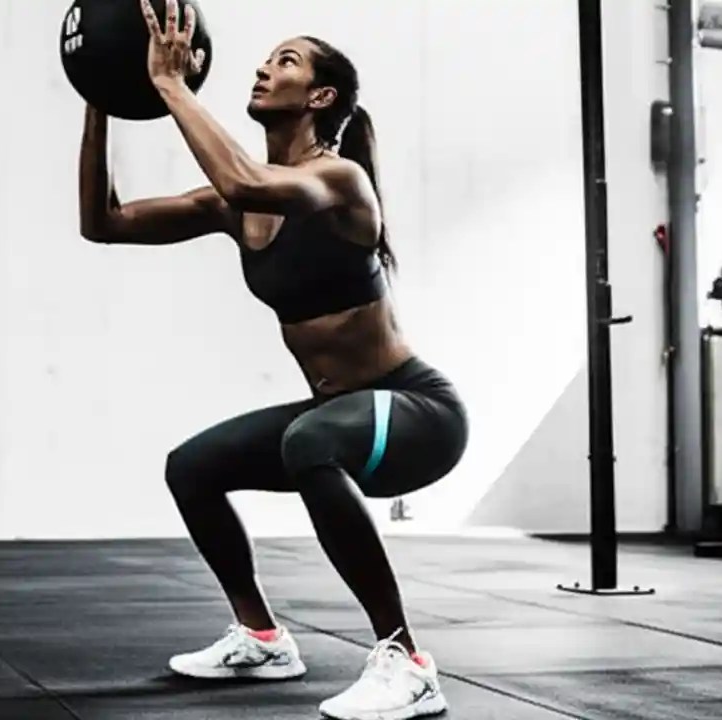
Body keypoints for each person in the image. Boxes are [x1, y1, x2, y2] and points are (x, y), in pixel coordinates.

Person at [77, 2, 469, 718]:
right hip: (338, 416)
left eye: (285, 61)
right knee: (192, 466)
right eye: (265, 59)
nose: (262, 68)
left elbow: (247, 183)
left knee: (309, 439)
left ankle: (407, 660)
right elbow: (104, 223)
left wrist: (170, 85)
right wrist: (101, 93)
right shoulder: (236, 204)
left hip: (418, 414)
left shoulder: (340, 182)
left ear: (321, 97)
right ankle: (261, 637)